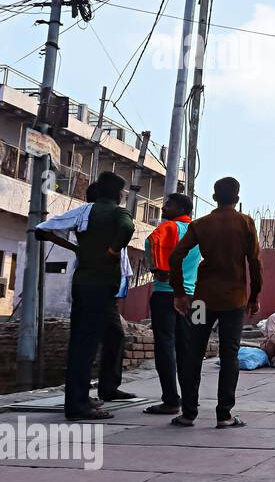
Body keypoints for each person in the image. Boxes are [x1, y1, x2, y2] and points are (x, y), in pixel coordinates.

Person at [169, 176, 261, 429]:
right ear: (237, 198)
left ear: (214, 197)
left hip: (202, 301)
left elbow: (176, 256)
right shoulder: (245, 223)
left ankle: (188, 413)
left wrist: (179, 292)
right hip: (234, 301)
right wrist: (255, 296)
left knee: (193, 354)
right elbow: (254, 261)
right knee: (229, 355)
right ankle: (224, 415)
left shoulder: (201, 224)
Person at [45, 173, 133, 420]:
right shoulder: (117, 213)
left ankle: (87, 395)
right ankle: (77, 405)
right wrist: (112, 251)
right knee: (87, 345)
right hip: (101, 286)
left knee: (86, 342)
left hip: (83, 283)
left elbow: (42, 229)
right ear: (118, 194)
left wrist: (79, 249)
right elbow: (127, 228)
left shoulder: (82, 214)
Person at [141, 192, 201, 415]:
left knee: (165, 346)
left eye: (169, 204)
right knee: (188, 347)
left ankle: (170, 399)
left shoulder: (169, 228)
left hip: (166, 294)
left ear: (179, 208)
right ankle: (189, 400)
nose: (164, 207)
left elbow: (151, 241)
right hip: (192, 296)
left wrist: (157, 269)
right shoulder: (197, 231)